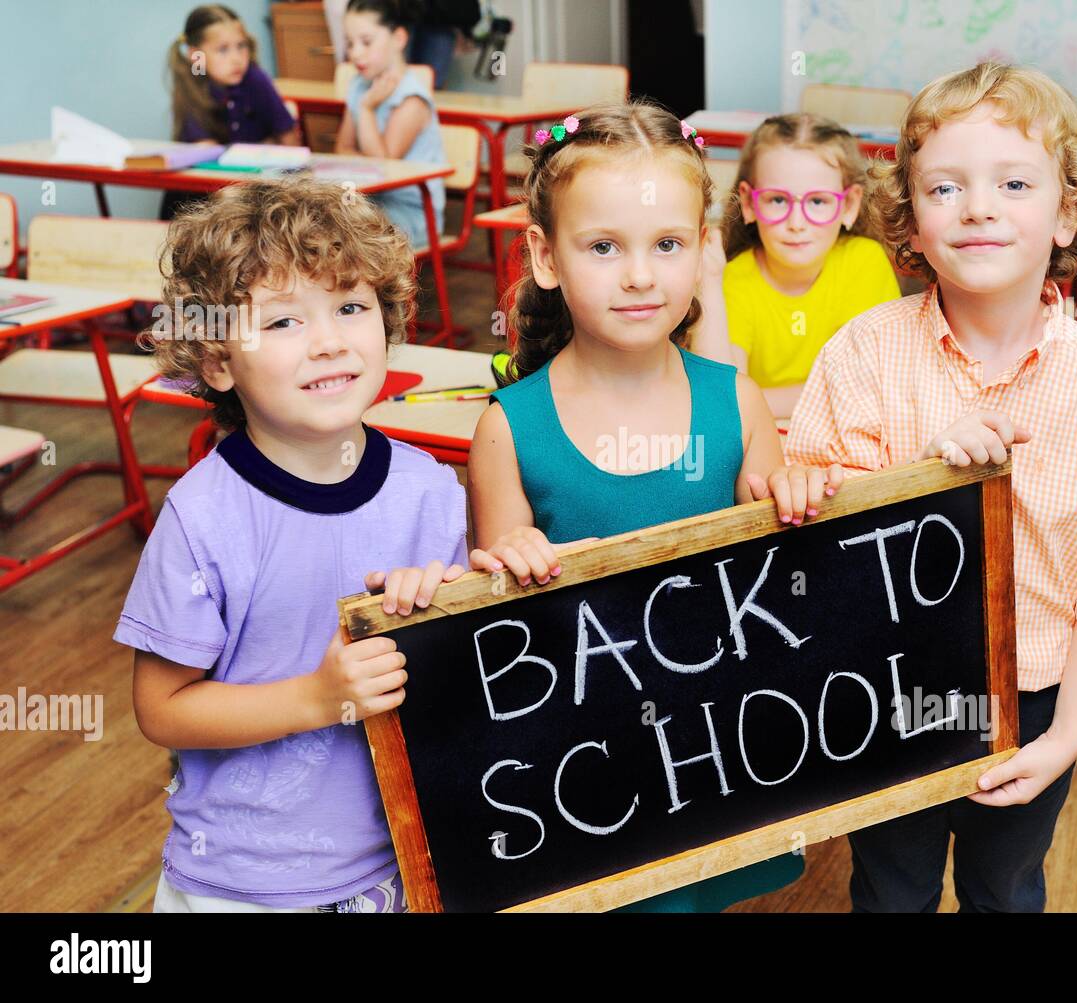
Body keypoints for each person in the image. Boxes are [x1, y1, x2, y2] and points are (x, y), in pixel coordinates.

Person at [786, 62, 1077, 912]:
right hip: (884, 690)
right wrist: (924, 478)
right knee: (889, 888)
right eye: (945, 187)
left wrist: (1068, 736)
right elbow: (810, 529)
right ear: (911, 222)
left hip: (1032, 699)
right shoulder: (860, 354)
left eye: (1013, 182)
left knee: (1005, 889)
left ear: (1068, 212)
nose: (978, 207)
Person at [466, 102, 844, 911]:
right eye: (603, 247)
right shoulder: (508, 430)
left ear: (703, 248)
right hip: (585, 771)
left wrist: (797, 493)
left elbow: (773, 548)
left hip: (712, 749)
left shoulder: (737, 403)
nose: (640, 275)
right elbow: (495, 635)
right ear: (545, 255)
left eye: (667, 245)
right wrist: (511, 561)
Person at [116, 177, 468, 912]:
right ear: (217, 362)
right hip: (242, 883)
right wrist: (319, 696)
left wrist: (442, 622)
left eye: (350, 306)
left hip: (401, 861)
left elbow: (461, 678)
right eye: (282, 323)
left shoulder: (432, 491)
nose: (330, 340)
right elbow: (163, 709)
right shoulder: (201, 518)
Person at [691, 113, 900, 419]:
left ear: (849, 205)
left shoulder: (864, 261)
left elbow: (869, 387)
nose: (797, 224)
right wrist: (709, 281)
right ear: (750, 204)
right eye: (777, 200)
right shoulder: (734, 279)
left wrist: (756, 401)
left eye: (817, 202)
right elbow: (724, 402)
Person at [160, 4, 299, 220]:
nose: (236, 58)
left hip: (256, 191)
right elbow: (204, 152)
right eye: (223, 49)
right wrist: (263, 145)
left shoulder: (255, 79)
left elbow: (289, 138)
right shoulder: (192, 87)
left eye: (241, 46)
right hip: (209, 197)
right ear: (196, 56)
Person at [337, 0, 448, 244]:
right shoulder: (358, 85)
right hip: (368, 200)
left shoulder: (412, 98)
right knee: (315, 220)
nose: (355, 53)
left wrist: (366, 109)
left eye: (366, 42)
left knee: (341, 233)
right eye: (350, 43)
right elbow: (342, 150)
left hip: (414, 213)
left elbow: (383, 166)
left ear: (398, 39)